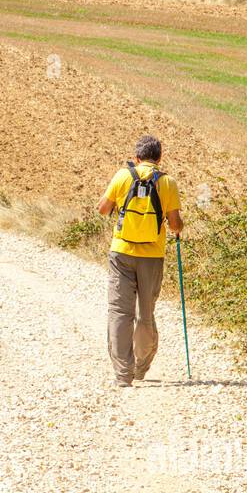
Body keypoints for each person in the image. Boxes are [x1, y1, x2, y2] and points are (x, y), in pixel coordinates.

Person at [97, 134, 184, 388]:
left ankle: (123, 374)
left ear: (136, 157)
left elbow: (103, 209)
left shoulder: (123, 175)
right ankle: (141, 366)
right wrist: (177, 226)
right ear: (159, 158)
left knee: (119, 312)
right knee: (145, 313)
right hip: (152, 257)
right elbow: (175, 223)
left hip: (121, 253)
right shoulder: (167, 182)